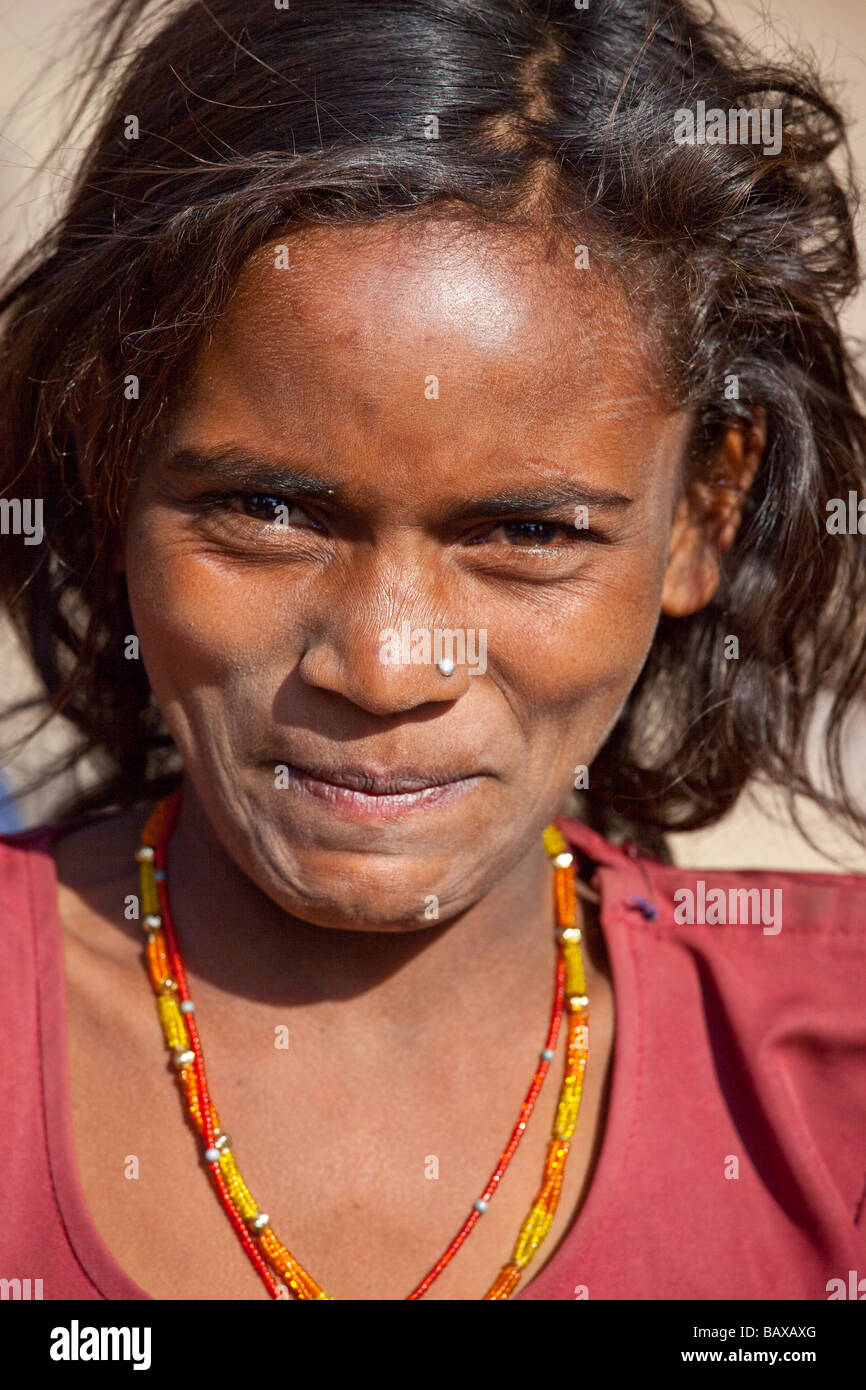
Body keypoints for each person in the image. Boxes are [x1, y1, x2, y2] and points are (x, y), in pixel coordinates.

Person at [0, 0, 864, 1302]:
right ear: (108, 469)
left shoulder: (832, 1071)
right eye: (268, 509)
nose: (388, 666)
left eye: (526, 530)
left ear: (701, 515)